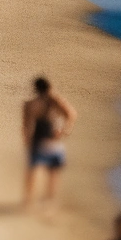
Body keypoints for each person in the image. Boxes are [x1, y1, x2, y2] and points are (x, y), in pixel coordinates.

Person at [22, 74, 76, 208]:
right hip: (53, 141)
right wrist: (65, 130)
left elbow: (26, 126)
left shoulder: (30, 104)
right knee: (53, 174)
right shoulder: (55, 101)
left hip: (38, 140)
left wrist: (27, 142)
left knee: (32, 171)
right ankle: (50, 201)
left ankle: (28, 201)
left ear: (35, 89)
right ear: (49, 88)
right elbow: (71, 114)